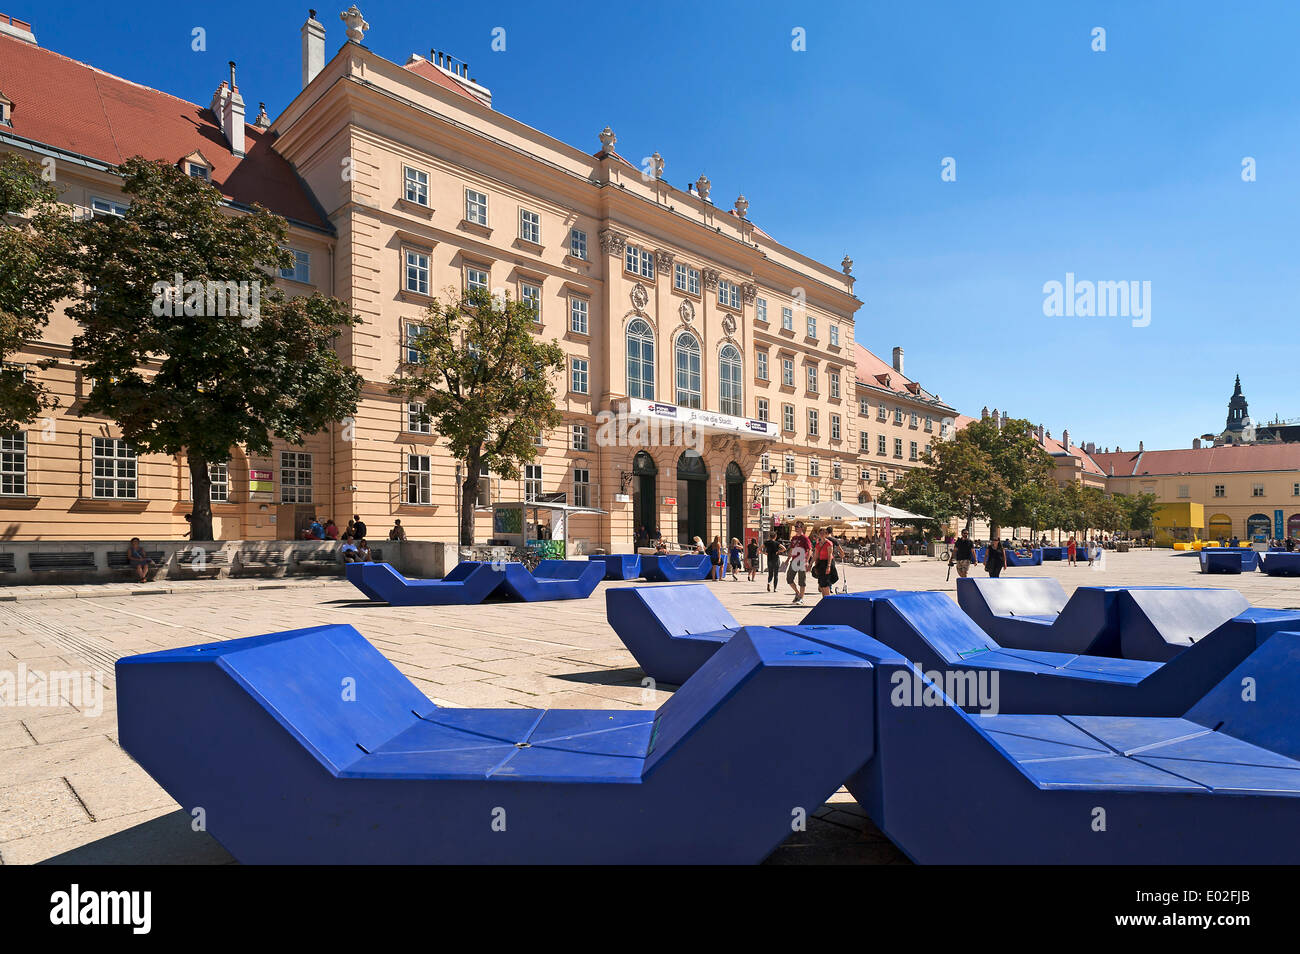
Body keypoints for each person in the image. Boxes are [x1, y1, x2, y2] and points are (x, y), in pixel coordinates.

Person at [786, 520, 812, 606]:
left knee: (801, 581)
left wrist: (807, 561)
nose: (796, 528)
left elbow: (809, 550)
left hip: (801, 561)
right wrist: (787, 559)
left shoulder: (805, 538)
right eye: (795, 526)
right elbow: (792, 550)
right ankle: (797, 593)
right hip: (794, 561)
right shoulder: (793, 538)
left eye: (797, 526)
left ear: (802, 528)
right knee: (789, 579)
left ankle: (801, 598)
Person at [813, 527, 840, 597]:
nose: (822, 534)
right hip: (820, 564)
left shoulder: (829, 543)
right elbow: (816, 556)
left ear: (826, 534)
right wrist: (814, 566)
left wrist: (828, 566)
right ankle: (824, 600)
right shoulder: (818, 544)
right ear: (818, 534)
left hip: (827, 563)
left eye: (823, 533)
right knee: (821, 584)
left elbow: (829, 555)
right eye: (820, 533)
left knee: (826, 583)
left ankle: (827, 600)